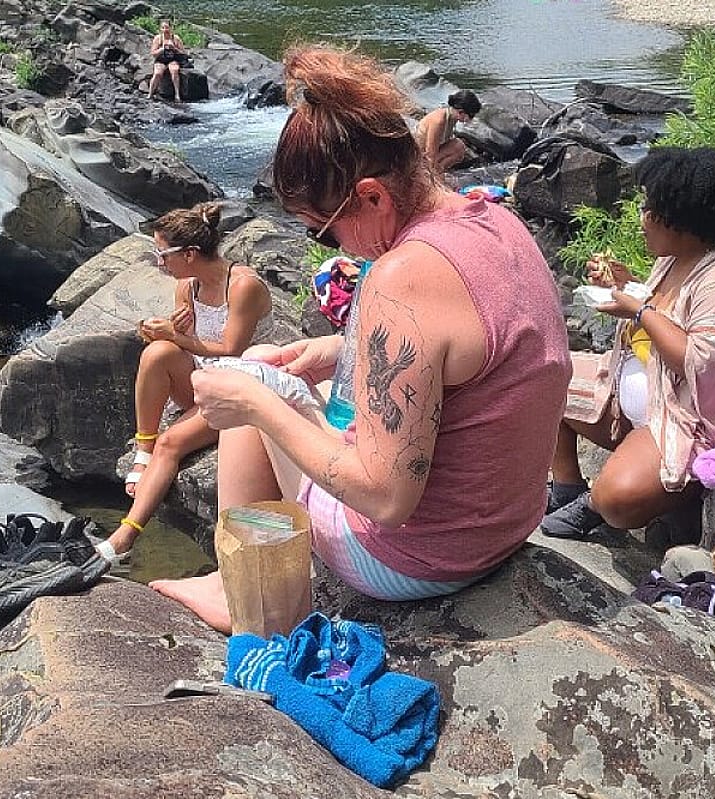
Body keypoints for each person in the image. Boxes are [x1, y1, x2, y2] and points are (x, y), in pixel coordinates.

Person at [149, 45, 570, 633]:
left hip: (415, 559)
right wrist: (339, 351)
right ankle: (243, 574)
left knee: (247, 380)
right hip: (507, 522)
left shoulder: (402, 279)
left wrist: (258, 405)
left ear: (372, 196)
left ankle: (246, 596)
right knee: (268, 377)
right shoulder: (491, 216)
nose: (340, 250)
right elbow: (475, 353)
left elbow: (385, 499)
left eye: (325, 234)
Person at [540, 146, 715, 540]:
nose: (641, 219)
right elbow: (664, 313)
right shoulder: (676, 256)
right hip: (638, 397)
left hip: (687, 419)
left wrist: (638, 311)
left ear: (680, 220)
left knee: (617, 498)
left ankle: (617, 499)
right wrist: (623, 286)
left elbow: (702, 363)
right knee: (545, 374)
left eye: (649, 209)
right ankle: (568, 486)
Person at [101, 202, 272, 561]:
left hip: (240, 386)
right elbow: (191, 346)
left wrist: (178, 338)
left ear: (190, 253)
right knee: (156, 353)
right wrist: (168, 332)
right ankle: (142, 446)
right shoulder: (187, 286)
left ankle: (124, 538)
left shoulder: (243, 287)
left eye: (163, 254)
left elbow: (230, 350)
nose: (159, 262)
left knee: (172, 444)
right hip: (203, 378)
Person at [414, 89, 482, 173]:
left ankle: (438, 171)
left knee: (459, 147)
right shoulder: (439, 121)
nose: (470, 119)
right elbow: (430, 153)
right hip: (418, 155)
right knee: (436, 157)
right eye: (471, 116)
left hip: (427, 153)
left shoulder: (452, 117)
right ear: (461, 112)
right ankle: (430, 173)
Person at [147, 19, 188, 102]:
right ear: (160, 29)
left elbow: (183, 53)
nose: (165, 30)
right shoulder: (158, 39)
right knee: (158, 73)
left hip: (173, 59)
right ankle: (150, 93)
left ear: (170, 28)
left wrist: (174, 48)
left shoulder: (175, 38)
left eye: (167, 28)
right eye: (163, 28)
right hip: (161, 59)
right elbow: (153, 53)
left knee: (174, 70)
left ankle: (177, 94)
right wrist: (162, 49)